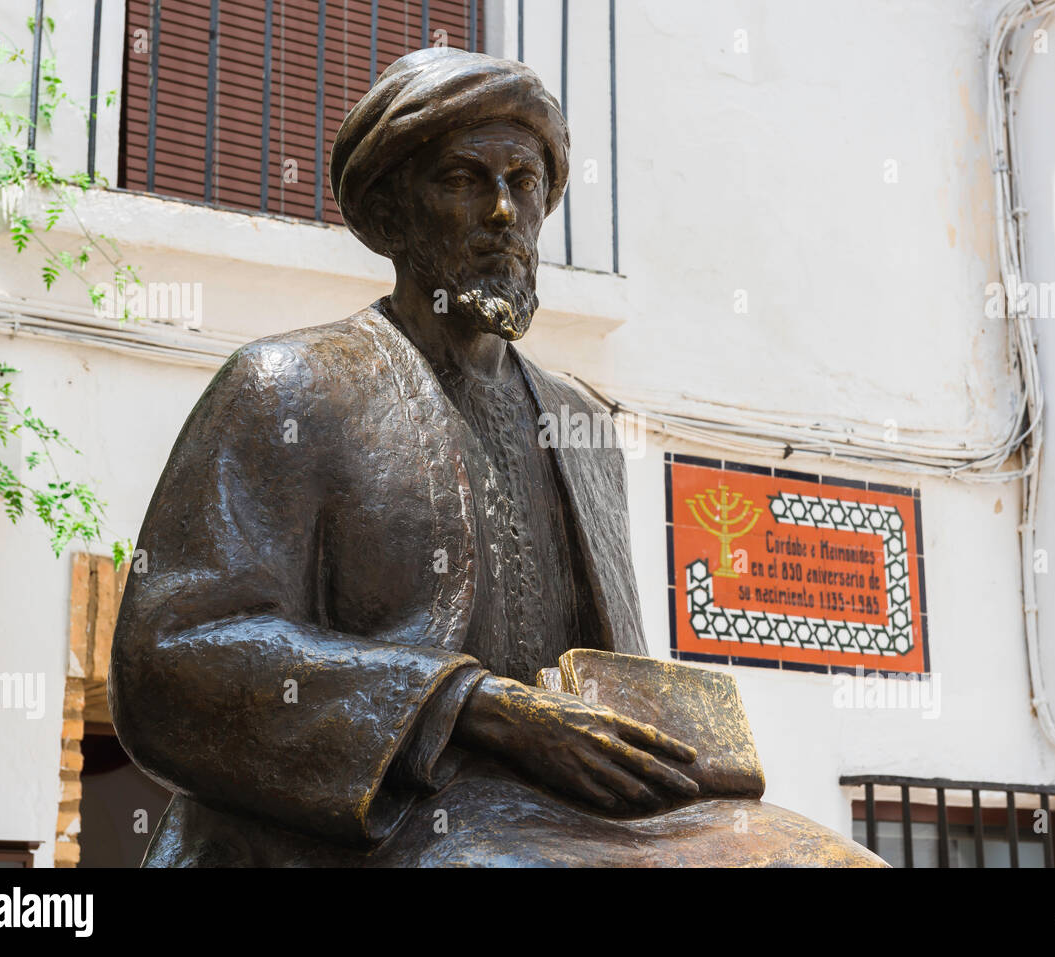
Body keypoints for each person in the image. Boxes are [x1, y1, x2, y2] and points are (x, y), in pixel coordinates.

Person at [110, 48, 881, 867]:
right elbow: (171, 660)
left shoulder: (578, 423)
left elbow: (613, 664)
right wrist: (472, 705)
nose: (504, 211)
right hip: (389, 815)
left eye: (525, 183)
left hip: (576, 813)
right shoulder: (290, 386)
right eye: (463, 180)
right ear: (394, 212)